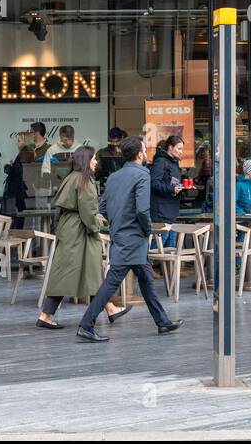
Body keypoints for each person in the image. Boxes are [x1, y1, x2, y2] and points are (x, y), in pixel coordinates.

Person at [75, 136, 182, 342]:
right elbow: (142, 209)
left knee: (146, 280)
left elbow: (103, 208)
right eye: (144, 150)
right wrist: (147, 229)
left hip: (121, 235)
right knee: (113, 282)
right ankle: (86, 324)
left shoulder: (114, 177)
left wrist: (117, 224)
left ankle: (162, 322)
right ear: (140, 154)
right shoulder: (143, 175)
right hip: (135, 237)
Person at [37, 147, 127, 329]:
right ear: (86, 161)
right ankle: (45, 315)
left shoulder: (72, 178)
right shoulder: (83, 180)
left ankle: (109, 308)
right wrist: (98, 226)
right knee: (74, 272)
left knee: (87, 272)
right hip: (80, 232)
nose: (96, 162)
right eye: (93, 159)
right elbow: (88, 211)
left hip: (72, 230)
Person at [149, 134, 185, 249]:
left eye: (182, 149)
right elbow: (153, 183)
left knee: (171, 241)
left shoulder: (174, 163)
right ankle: (148, 264)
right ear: (170, 147)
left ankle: (169, 267)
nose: (181, 152)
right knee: (162, 239)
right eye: (179, 148)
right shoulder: (160, 161)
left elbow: (171, 182)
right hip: (160, 210)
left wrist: (180, 188)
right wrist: (171, 189)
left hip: (172, 208)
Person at [2, 145, 32, 229]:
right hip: (17, 192)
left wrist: (6, 167)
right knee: (18, 213)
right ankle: (17, 232)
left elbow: (14, 171)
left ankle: (16, 233)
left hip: (14, 192)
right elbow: (15, 171)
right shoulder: (19, 160)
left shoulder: (18, 160)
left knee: (14, 214)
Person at [96, 126, 127, 190]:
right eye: (113, 140)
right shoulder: (101, 152)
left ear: (121, 139)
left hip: (123, 184)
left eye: (117, 141)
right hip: (106, 184)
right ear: (109, 139)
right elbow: (97, 170)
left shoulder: (126, 152)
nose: (115, 144)